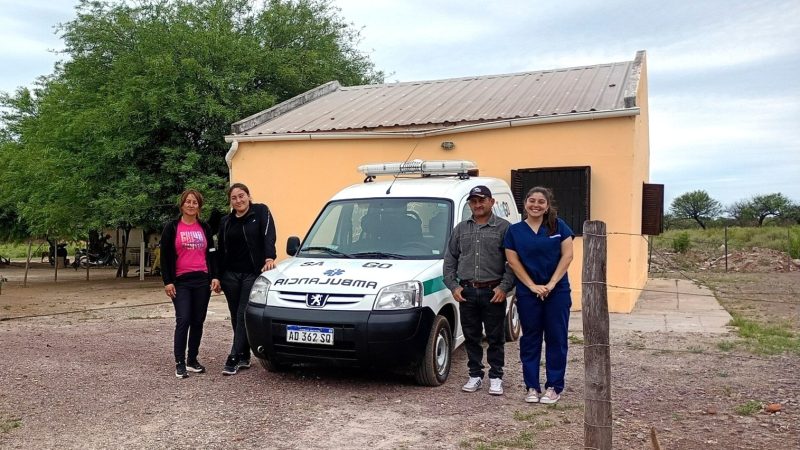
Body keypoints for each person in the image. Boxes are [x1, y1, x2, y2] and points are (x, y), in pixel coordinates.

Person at [504, 187, 574, 404]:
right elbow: (513, 262)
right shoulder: (514, 231)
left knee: (556, 338)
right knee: (531, 339)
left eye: (541, 202)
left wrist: (551, 284)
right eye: (531, 201)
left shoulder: (558, 226)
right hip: (528, 292)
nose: (536, 205)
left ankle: (554, 386)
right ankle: (532, 387)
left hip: (557, 292)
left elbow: (568, 256)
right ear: (525, 203)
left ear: (547, 205)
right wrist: (533, 286)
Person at [444, 185, 514, 396]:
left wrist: (504, 288)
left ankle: (496, 377)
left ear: (491, 202)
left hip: (494, 292)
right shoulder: (461, 229)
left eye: (482, 200)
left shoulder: (504, 228)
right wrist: (454, 287)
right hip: (467, 292)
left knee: (495, 337)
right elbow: (450, 260)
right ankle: (475, 375)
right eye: (474, 201)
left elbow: (512, 263)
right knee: (471, 336)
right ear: (469, 204)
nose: (478, 205)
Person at [217, 182, 277, 375]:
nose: (238, 200)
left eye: (241, 196)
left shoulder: (260, 212)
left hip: (252, 273)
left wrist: (269, 257)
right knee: (235, 315)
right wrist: (217, 276)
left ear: (249, 196)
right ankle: (243, 356)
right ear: (230, 201)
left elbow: (269, 235)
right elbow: (219, 250)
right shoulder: (226, 221)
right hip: (230, 276)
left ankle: (233, 357)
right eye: (234, 198)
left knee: (244, 312)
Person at [160, 189, 220, 379]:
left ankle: (192, 359)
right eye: (188, 202)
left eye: (195, 202)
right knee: (183, 319)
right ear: (182, 205)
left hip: (202, 280)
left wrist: (215, 276)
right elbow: (164, 256)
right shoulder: (172, 227)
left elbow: (211, 252)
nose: (191, 205)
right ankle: (180, 362)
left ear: (199, 206)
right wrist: (168, 281)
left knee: (197, 321)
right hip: (181, 281)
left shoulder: (205, 228)